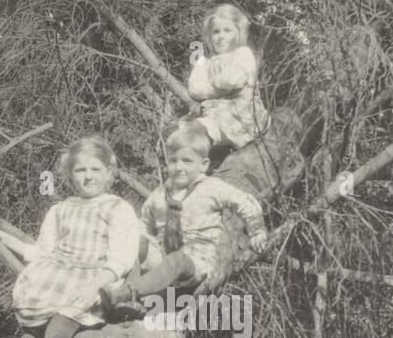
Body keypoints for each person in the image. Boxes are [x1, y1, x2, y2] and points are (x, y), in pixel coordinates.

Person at [0, 137, 139, 338]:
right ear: (70, 175)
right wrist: (9, 241)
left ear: (109, 173)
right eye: (81, 170)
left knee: (63, 319)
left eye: (95, 170)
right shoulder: (61, 209)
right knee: (33, 331)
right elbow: (43, 251)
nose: (88, 176)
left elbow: (123, 255)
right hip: (58, 275)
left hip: (95, 276)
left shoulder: (118, 208)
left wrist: (96, 284)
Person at [99, 121, 267, 318]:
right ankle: (125, 298)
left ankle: (128, 293)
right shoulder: (160, 193)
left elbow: (245, 202)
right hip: (162, 258)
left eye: (187, 161)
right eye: (173, 160)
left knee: (176, 259)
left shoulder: (211, 188)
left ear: (203, 165)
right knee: (135, 240)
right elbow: (144, 223)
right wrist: (140, 240)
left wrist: (258, 231)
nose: (179, 167)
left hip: (195, 263)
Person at [186, 2, 269, 163]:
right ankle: (200, 163)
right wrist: (215, 92)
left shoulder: (243, 54)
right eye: (216, 32)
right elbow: (195, 88)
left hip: (241, 113)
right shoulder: (206, 61)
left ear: (238, 32)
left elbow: (231, 80)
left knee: (200, 132)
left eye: (227, 30)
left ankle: (205, 155)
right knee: (189, 132)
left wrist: (211, 83)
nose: (221, 36)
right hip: (216, 113)